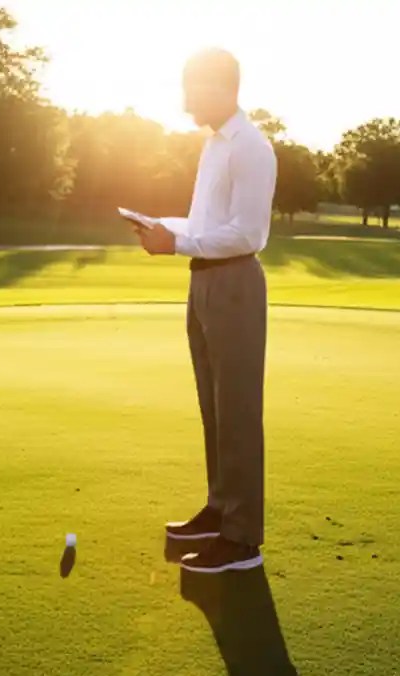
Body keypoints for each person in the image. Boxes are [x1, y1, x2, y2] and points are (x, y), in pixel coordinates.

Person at [135, 48, 277, 573]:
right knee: (214, 410)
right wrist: (165, 228)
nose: (185, 98)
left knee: (237, 412)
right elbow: (205, 223)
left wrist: (175, 245)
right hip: (204, 284)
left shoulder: (252, 148)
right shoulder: (213, 145)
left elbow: (248, 233)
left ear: (221, 87)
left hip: (236, 284)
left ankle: (241, 541)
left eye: (192, 87)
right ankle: (220, 511)